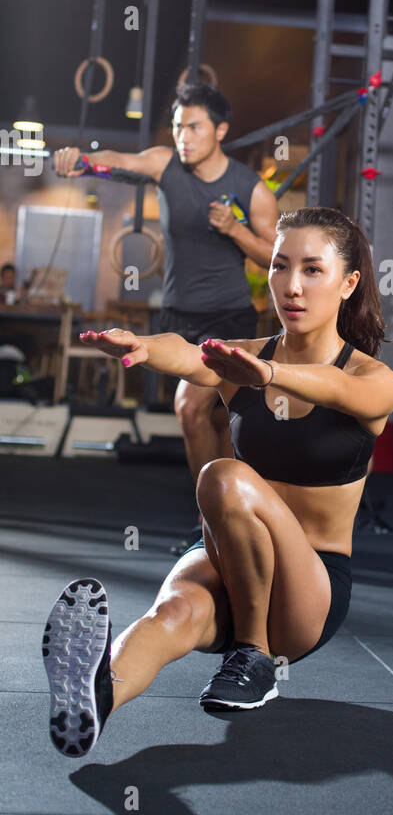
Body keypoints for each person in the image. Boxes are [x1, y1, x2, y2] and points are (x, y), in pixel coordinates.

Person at [41, 207, 393, 758]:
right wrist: (141, 344)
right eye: (281, 267)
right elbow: (186, 351)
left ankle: (254, 652)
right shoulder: (245, 359)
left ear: (348, 283)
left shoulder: (375, 381)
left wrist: (273, 374)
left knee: (225, 478)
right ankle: (95, 696)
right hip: (228, 558)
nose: (291, 285)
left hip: (307, 592)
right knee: (172, 615)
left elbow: (336, 389)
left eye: (312, 270)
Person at [54, 83, 280, 533]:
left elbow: (275, 256)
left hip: (230, 318)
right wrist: (80, 161)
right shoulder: (165, 164)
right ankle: (229, 519)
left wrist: (233, 230)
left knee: (193, 410)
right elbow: (121, 162)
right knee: (208, 418)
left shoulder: (250, 189)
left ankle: (213, 521)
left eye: (194, 127)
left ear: (220, 130)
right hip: (178, 317)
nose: (184, 137)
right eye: (178, 127)